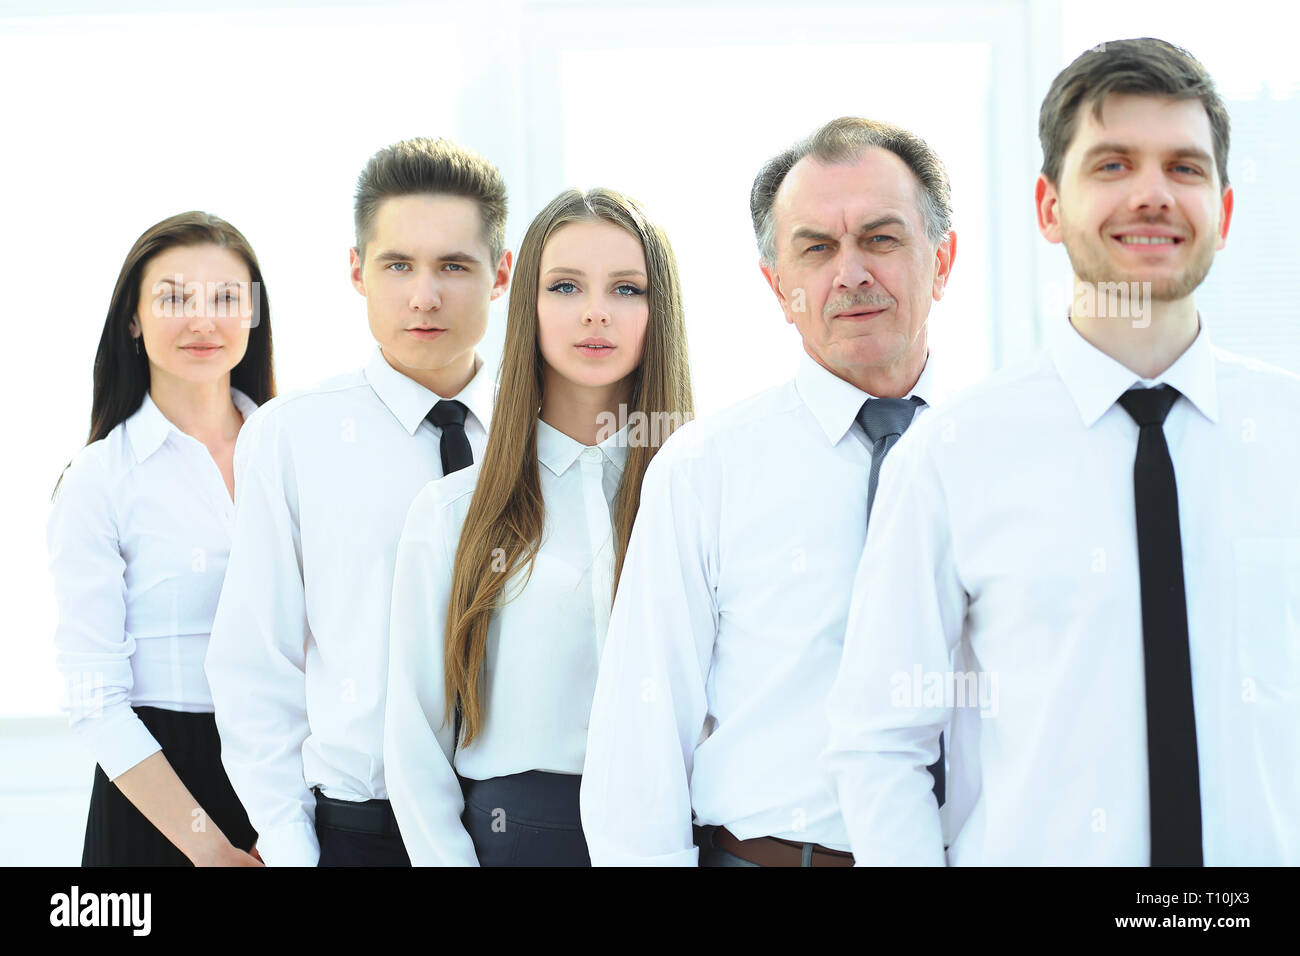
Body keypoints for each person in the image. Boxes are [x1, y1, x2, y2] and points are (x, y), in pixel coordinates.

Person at [824, 37, 1300, 866]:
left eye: (1185, 168)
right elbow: (879, 744)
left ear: (1224, 212)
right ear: (1048, 207)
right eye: (1113, 164)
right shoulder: (952, 454)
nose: (1153, 194)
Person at [579, 117, 958, 866]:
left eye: (881, 239)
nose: (849, 274)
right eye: (816, 248)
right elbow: (640, 738)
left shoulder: (1008, 458)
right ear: (776, 284)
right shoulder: (703, 471)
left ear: (942, 260)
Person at [204, 137, 512, 867]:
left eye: (454, 267)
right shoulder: (292, 437)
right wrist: (290, 847)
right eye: (398, 265)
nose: (424, 296)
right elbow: (255, 663)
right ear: (356, 270)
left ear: (499, 274)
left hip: (524, 825)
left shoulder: (545, 433)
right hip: (361, 832)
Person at [384, 187, 693, 866]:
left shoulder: (703, 499)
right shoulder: (450, 515)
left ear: (658, 310)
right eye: (564, 286)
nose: (594, 312)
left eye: (626, 288)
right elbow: (414, 751)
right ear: (527, 303)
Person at [47, 211, 275, 866]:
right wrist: (212, 850)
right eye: (174, 297)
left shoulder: (296, 455)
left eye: (227, 298)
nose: (203, 319)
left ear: (253, 316)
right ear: (133, 319)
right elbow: (94, 700)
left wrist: (282, 825)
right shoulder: (99, 480)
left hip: (289, 788)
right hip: (156, 801)